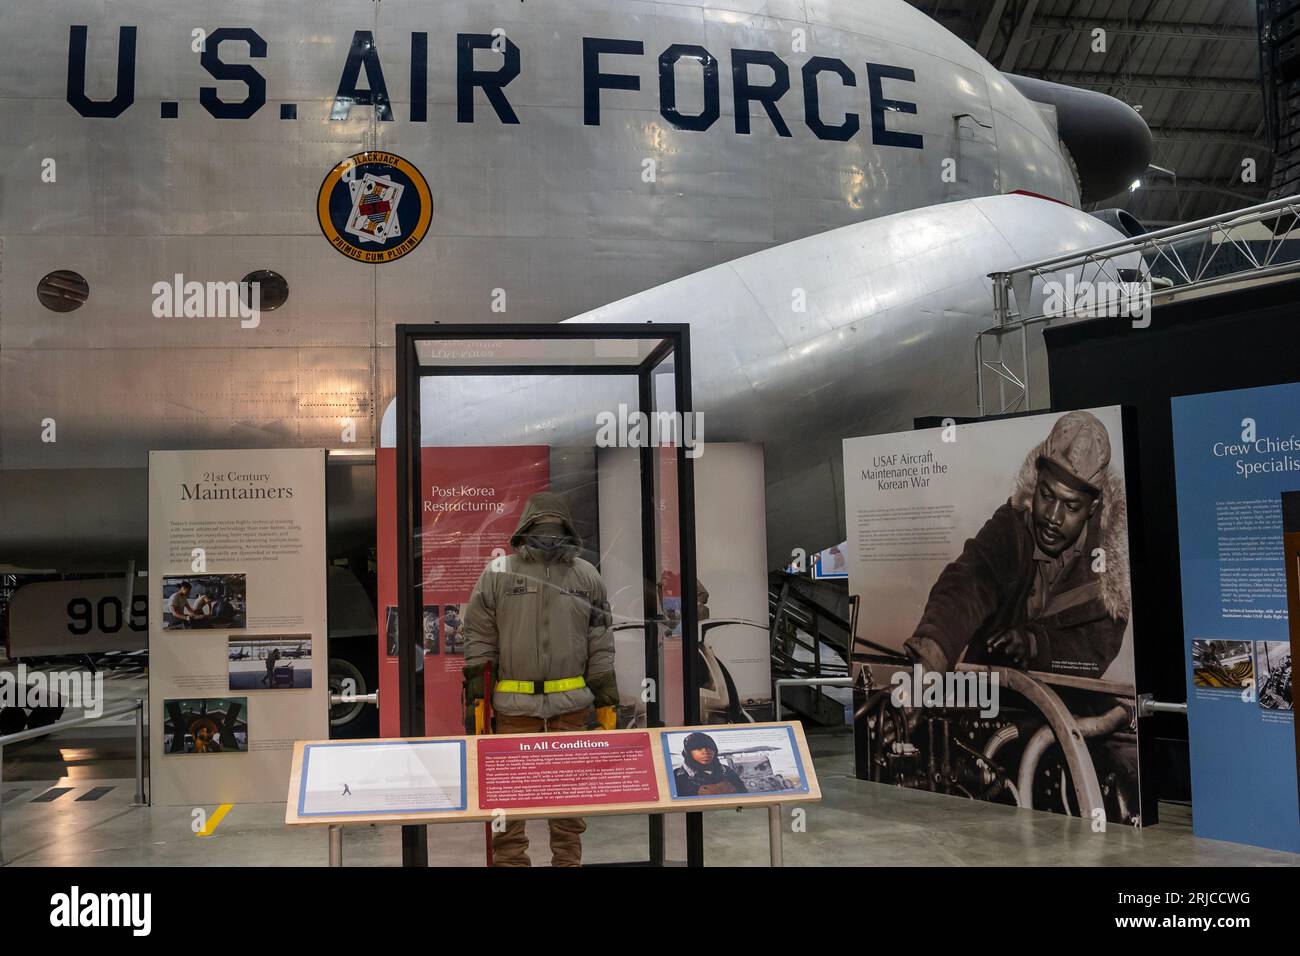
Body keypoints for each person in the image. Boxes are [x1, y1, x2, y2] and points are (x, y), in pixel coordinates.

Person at [903, 410, 1130, 679]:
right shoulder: (1011, 525)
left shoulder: (1111, 571)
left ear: (1092, 507)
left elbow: (1095, 650)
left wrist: (1035, 645)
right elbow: (969, 581)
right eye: (1046, 495)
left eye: (1070, 506)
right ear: (1036, 485)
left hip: (1065, 706)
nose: (1052, 517)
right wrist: (933, 649)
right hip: (987, 694)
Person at [463, 491, 617, 867]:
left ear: (567, 529)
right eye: (540, 527)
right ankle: (511, 862)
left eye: (555, 528)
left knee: (569, 797)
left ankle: (568, 862)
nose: (548, 534)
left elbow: (600, 640)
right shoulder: (498, 573)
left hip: (571, 709)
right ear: (525, 528)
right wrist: (477, 692)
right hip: (514, 710)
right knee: (507, 798)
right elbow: (480, 633)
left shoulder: (586, 576)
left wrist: (605, 694)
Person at [673, 732, 747, 796]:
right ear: (688, 753)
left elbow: (744, 793)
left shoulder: (727, 771)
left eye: (710, 748)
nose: (706, 752)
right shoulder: (676, 776)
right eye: (698, 748)